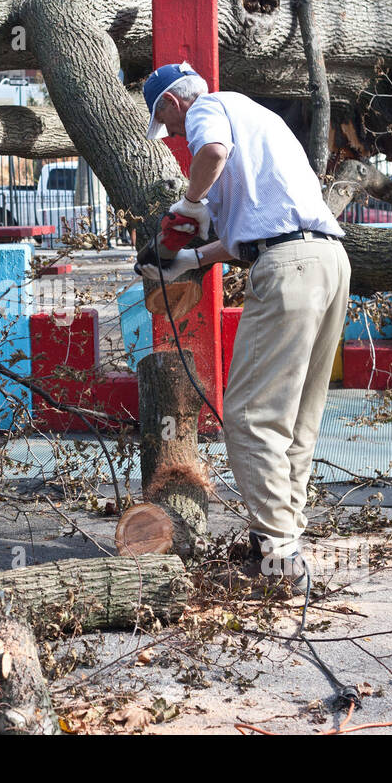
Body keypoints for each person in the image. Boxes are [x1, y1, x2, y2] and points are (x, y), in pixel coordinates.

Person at [136, 63, 351, 595]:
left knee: (250, 415)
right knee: (297, 416)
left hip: (287, 269)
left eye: (171, 127)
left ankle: (279, 552)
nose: (179, 139)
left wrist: (186, 206)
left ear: (171, 105)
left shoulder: (208, 107)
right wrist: (187, 260)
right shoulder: (258, 120)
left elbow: (210, 154)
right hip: (328, 262)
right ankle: (283, 540)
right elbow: (243, 239)